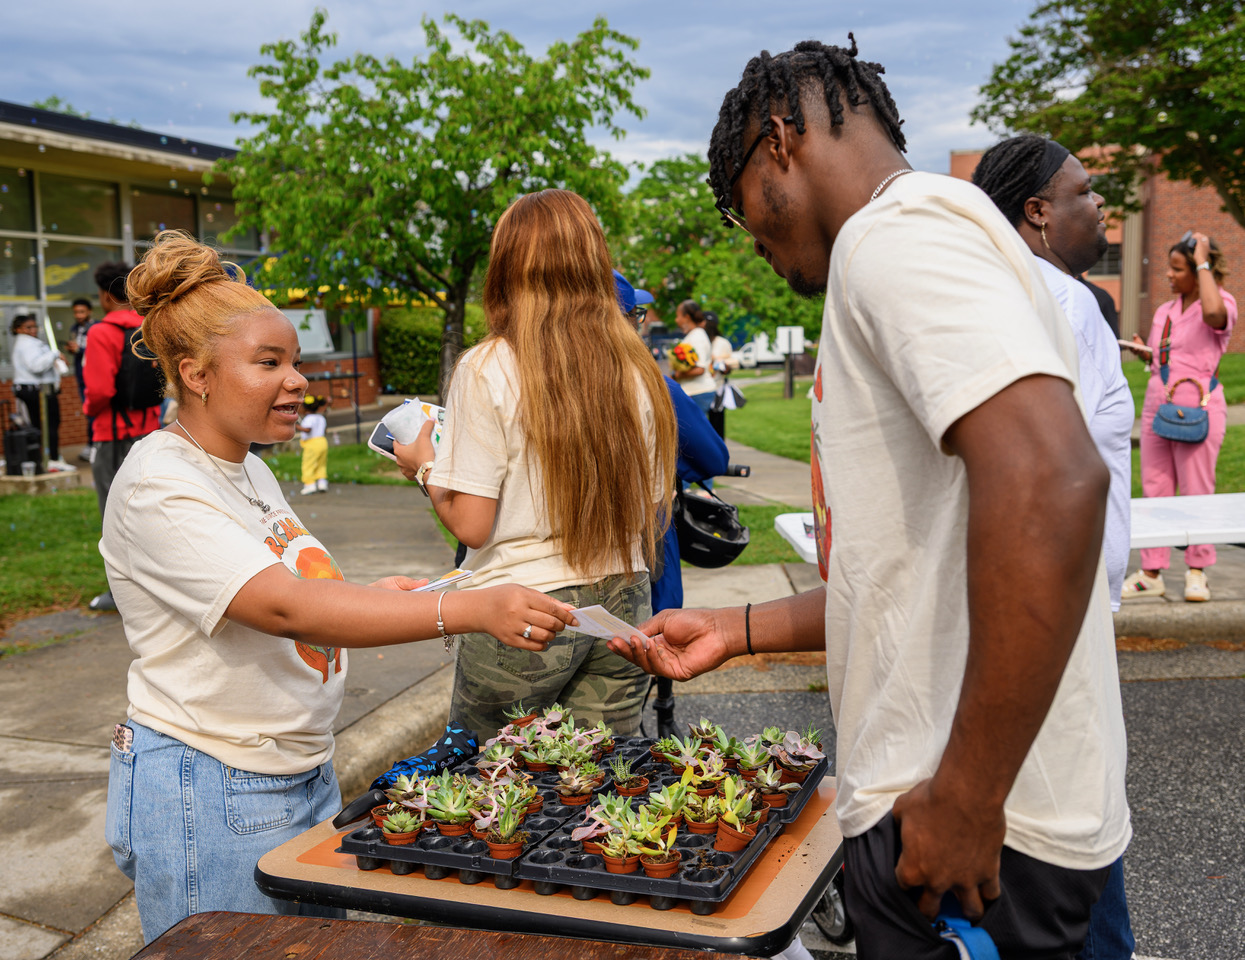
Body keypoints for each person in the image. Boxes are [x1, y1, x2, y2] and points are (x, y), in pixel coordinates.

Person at [608, 38, 1128, 959]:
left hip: (968, 828)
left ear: (779, 142)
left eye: (742, 212)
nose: (755, 245)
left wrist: (968, 795)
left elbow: (1055, 483)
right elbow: (917, 563)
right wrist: (738, 629)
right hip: (977, 810)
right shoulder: (936, 234)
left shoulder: (895, 234)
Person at [102, 230, 574, 944]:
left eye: (294, 361)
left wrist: (379, 594)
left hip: (292, 772)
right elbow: (285, 605)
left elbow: (287, 582)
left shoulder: (247, 469)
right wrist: (464, 609)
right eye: (270, 363)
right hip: (213, 782)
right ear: (196, 374)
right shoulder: (159, 485)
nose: (297, 380)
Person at [394, 189, 677, 741]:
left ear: (505, 270)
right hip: (624, 600)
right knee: (598, 795)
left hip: (521, 610)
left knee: (487, 795)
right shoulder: (637, 365)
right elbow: (651, 501)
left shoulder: (487, 367)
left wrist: (425, 466)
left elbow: (472, 524)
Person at [973, 133, 1136, 960]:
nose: (1097, 204)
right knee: (1075, 825)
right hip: (1059, 611)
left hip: (1057, 602)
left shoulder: (1054, 297)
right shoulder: (1058, 303)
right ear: (1036, 211)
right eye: (1081, 193)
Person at [1123, 232, 1235, 602]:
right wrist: (1147, 355)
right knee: (1155, 488)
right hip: (1159, 404)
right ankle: (1152, 571)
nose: (1168, 276)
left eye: (1176, 269)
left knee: (1196, 490)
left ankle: (1197, 570)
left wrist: (1203, 260)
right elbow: (1167, 356)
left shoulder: (1222, 303)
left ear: (1199, 270)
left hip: (1200, 408)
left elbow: (1214, 315)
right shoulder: (1164, 311)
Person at [83, 261, 164, 611]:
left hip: (112, 434)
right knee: (151, 511)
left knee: (114, 517)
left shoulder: (101, 332)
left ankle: (122, 595)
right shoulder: (148, 328)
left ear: (104, 295)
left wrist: (88, 409)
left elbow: (99, 390)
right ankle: (159, 587)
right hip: (150, 431)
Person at [10, 312, 69, 469]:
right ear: (18, 329)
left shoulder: (31, 342)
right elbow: (36, 366)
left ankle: (48, 457)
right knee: (44, 426)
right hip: (34, 392)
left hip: (40, 390)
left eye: (34, 326)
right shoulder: (26, 343)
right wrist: (54, 354)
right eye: (28, 327)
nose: (33, 330)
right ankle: (49, 458)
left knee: (47, 425)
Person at [668, 300, 718, 414]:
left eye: (678, 316)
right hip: (695, 392)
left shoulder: (697, 336)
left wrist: (677, 375)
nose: (676, 320)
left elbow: (700, 369)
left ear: (686, 317)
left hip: (699, 392)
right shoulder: (694, 335)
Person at [66, 297, 98, 460]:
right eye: (76, 312)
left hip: (94, 375)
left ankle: (95, 446)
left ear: (89, 312)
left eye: (82, 312)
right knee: (87, 412)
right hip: (80, 375)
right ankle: (92, 445)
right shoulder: (74, 328)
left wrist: (80, 349)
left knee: (94, 411)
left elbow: (96, 350)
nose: (78, 315)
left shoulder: (96, 327)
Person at [701, 310, 738, 438]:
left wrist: (724, 367)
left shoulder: (723, 343)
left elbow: (728, 368)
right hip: (700, 389)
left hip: (717, 389)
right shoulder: (699, 342)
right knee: (702, 427)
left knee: (717, 427)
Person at [297, 394, 329, 495]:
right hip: (322, 441)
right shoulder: (320, 417)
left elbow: (308, 429)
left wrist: (296, 426)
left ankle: (310, 484)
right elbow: (325, 430)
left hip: (312, 443)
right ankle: (322, 483)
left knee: (308, 464)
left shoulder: (309, 418)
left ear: (305, 408)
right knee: (321, 463)